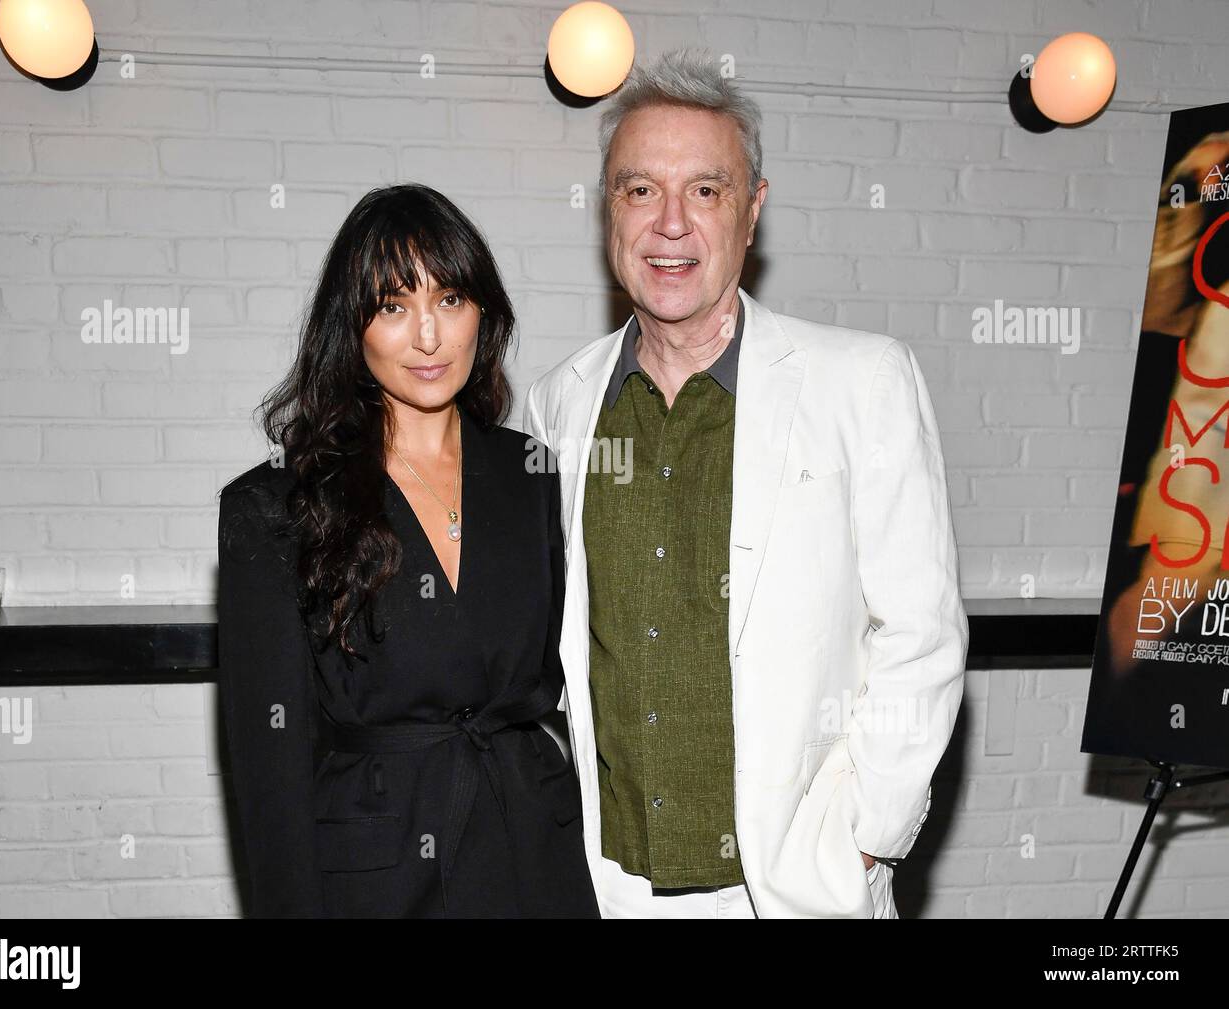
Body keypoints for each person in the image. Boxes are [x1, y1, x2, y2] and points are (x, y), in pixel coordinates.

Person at [522, 49, 969, 918]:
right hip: (604, 885)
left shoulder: (862, 382)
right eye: (640, 189)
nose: (671, 224)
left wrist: (865, 836)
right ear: (606, 211)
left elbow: (921, 632)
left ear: (752, 211)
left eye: (707, 189)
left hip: (792, 887)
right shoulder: (557, 406)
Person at [217, 183, 599, 918]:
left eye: (450, 299)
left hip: (534, 856)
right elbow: (272, 772)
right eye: (394, 306)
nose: (429, 336)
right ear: (351, 326)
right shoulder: (274, 506)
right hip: (377, 877)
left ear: (482, 313)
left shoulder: (533, 474)